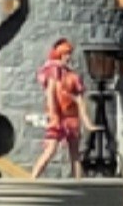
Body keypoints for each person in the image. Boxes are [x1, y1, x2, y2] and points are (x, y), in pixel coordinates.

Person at [33, 44, 86, 183]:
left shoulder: (69, 72)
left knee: (74, 151)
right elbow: (51, 93)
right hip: (58, 115)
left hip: (70, 115)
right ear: (60, 54)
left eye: (70, 53)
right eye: (67, 53)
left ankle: (79, 183)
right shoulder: (54, 69)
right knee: (51, 148)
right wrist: (53, 114)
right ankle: (32, 179)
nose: (69, 57)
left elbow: (76, 95)